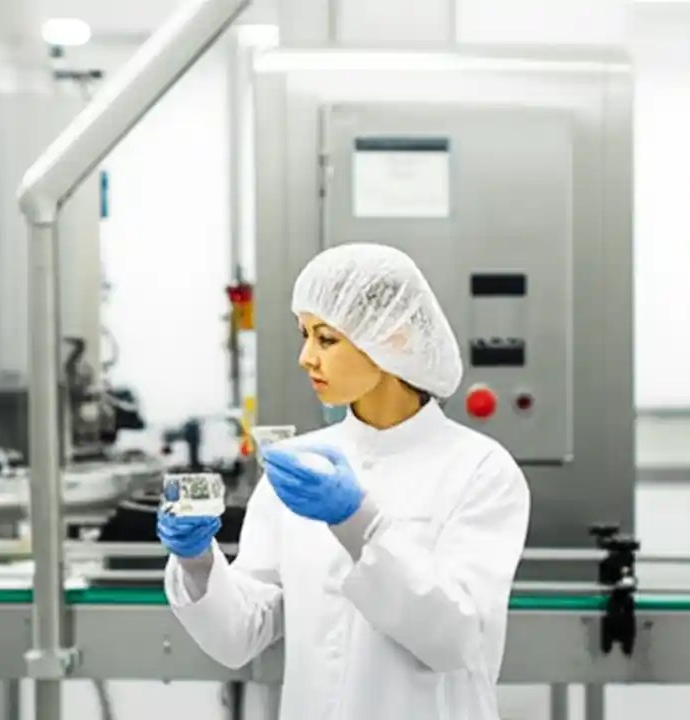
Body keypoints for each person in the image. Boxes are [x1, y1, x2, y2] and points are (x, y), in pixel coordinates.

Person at [157, 243, 531, 720]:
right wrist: (197, 563)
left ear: (393, 338)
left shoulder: (480, 469)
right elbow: (242, 634)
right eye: (305, 335)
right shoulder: (298, 465)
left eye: (326, 339)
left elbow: (456, 640)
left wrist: (359, 523)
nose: (305, 358)